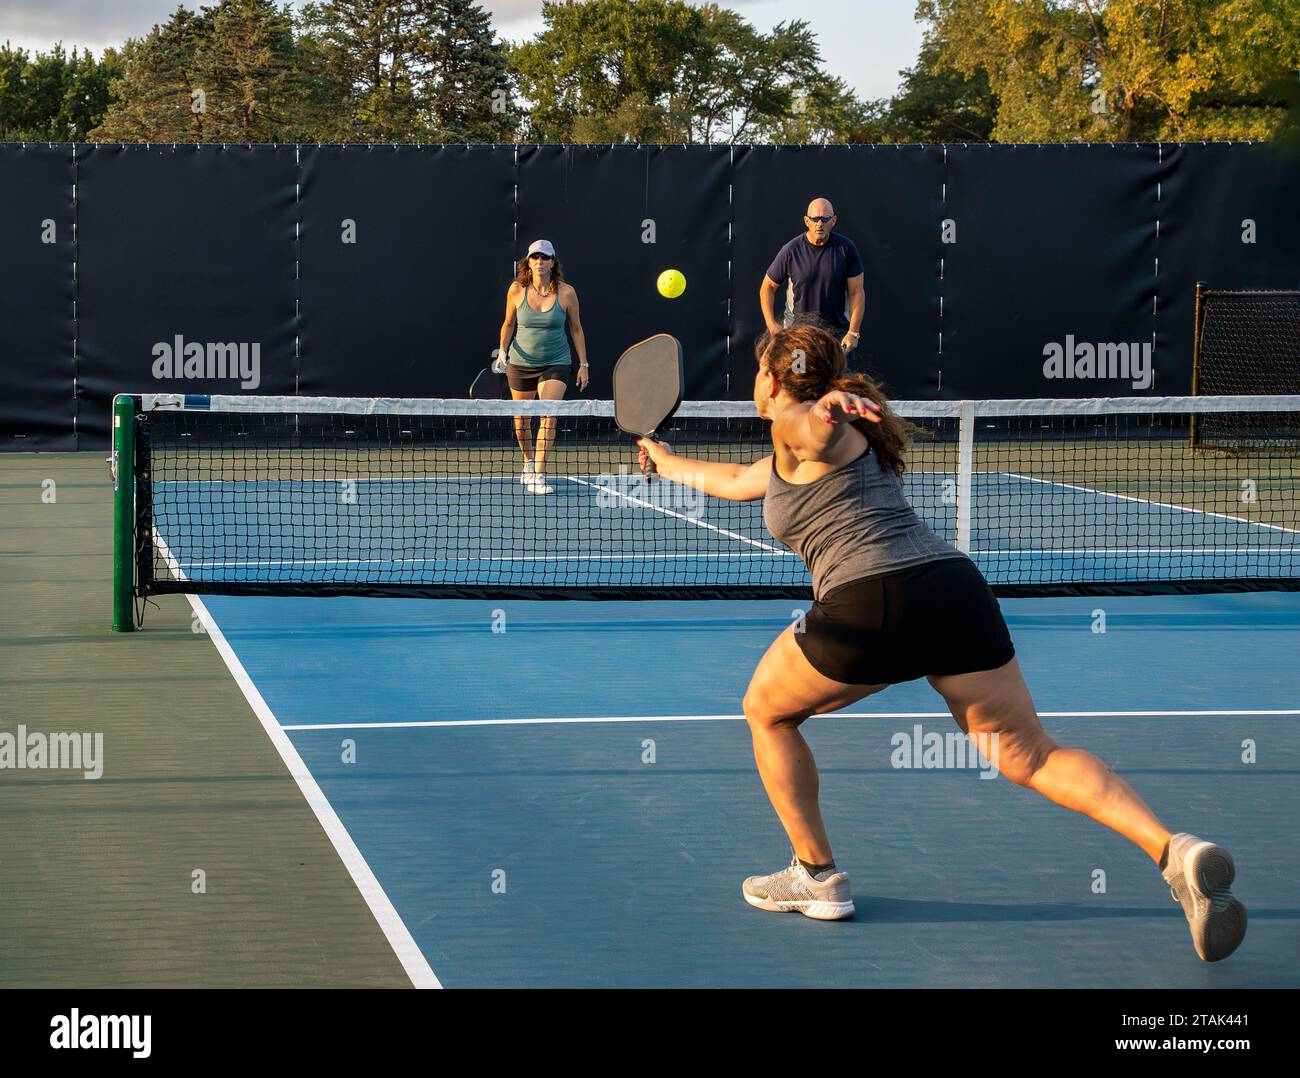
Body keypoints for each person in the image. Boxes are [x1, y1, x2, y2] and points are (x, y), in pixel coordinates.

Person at [635, 319, 1247, 963]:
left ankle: (815, 875)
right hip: (954, 593)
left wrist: (826, 407)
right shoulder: (794, 459)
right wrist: (667, 460)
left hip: (871, 604)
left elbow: (811, 426)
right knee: (1030, 757)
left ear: (775, 380)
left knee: (766, 712)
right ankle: (1174, 850)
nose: (756, 381)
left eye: (762, 369)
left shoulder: (803, 426)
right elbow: (733, 481)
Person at [499, 239, 589, 494]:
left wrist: (583, 364)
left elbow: (576, 328)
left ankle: (539, 473)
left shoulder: (567, 293)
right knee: (521, 421)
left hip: (556, 362)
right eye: (535, 257)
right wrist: (502, 352)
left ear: (553, 262)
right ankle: (528, 464)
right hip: (520, 362)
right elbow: (508, 324)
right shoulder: (516, 290)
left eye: (545, 258)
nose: (540, 262)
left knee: (548, 418)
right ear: (528, 262)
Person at [760, 198, 865, 370]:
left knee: (843, 389)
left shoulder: (846, 249)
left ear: (833, 221)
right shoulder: (791, 250)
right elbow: (767, 288)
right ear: (806, 221)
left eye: (825, 219)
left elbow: (857, 292)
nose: (819, 224)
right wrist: (772, 325)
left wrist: (853, 333)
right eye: (815, 219)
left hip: (838, 339)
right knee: (799, 389)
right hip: (799, 339)